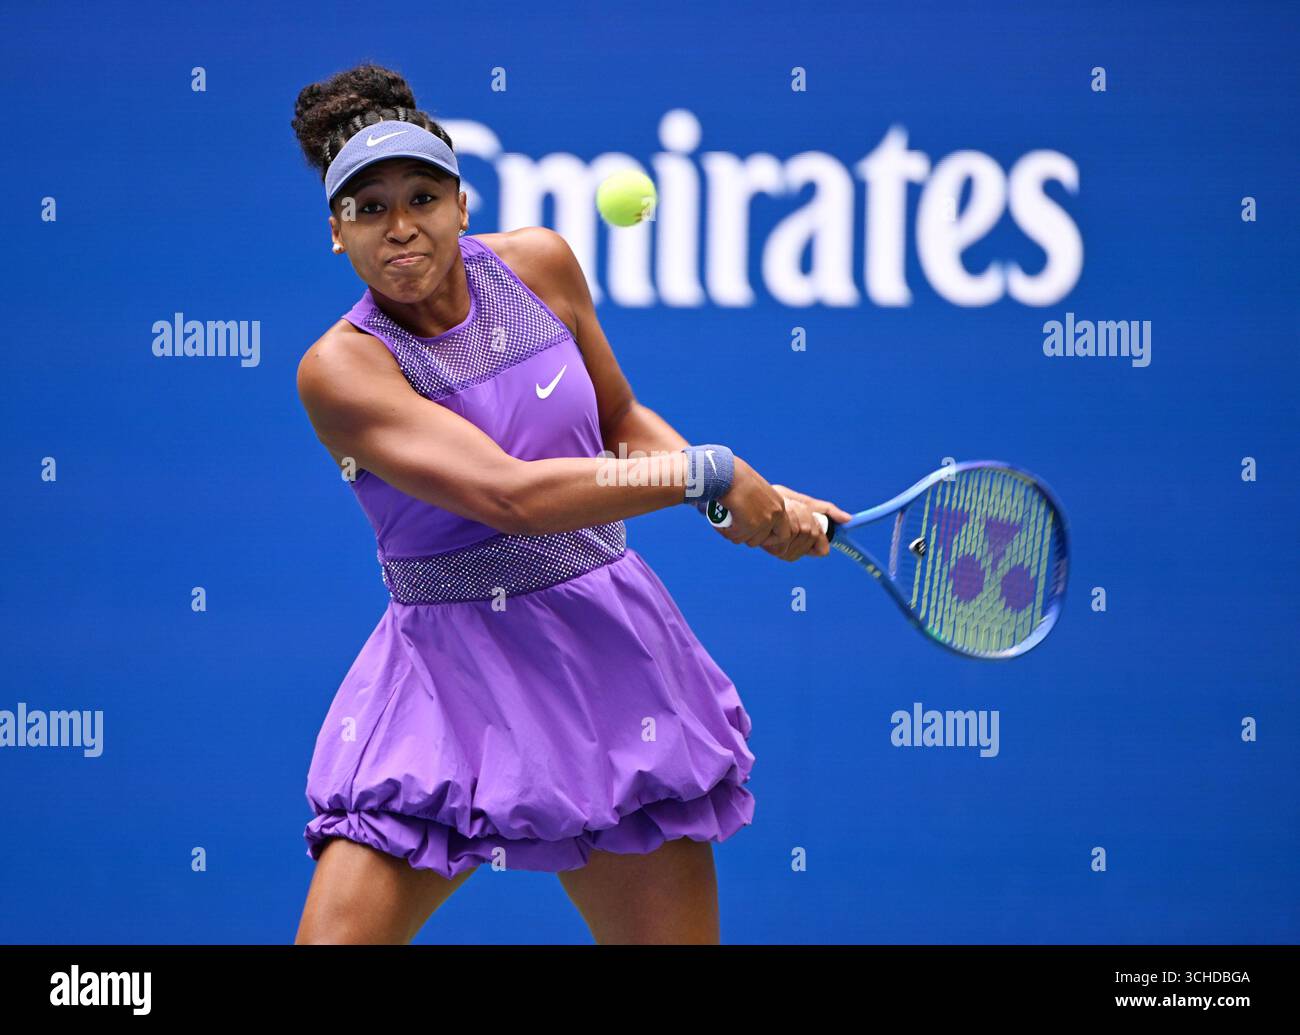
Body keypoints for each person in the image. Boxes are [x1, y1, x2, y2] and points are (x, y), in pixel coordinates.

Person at [289, 63, 852, 945]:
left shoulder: (541, 266)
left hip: (607, 654)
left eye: (423, 198)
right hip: (447, 678)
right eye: (369, 208)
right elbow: (507, 494)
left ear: (461, 205)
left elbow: (620, 420)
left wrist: (739, 502)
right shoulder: (341, 368)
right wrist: (706, 473)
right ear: (337, 233)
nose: (400, 227)